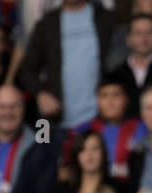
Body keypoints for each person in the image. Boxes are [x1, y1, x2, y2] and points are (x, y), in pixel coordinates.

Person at [15, 0, 116, 131]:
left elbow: (120, 62)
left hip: (100, 120)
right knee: (42, 146)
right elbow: (26, 70)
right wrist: (40, 93)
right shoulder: (46, 24)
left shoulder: (106, 18)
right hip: (52, 121)